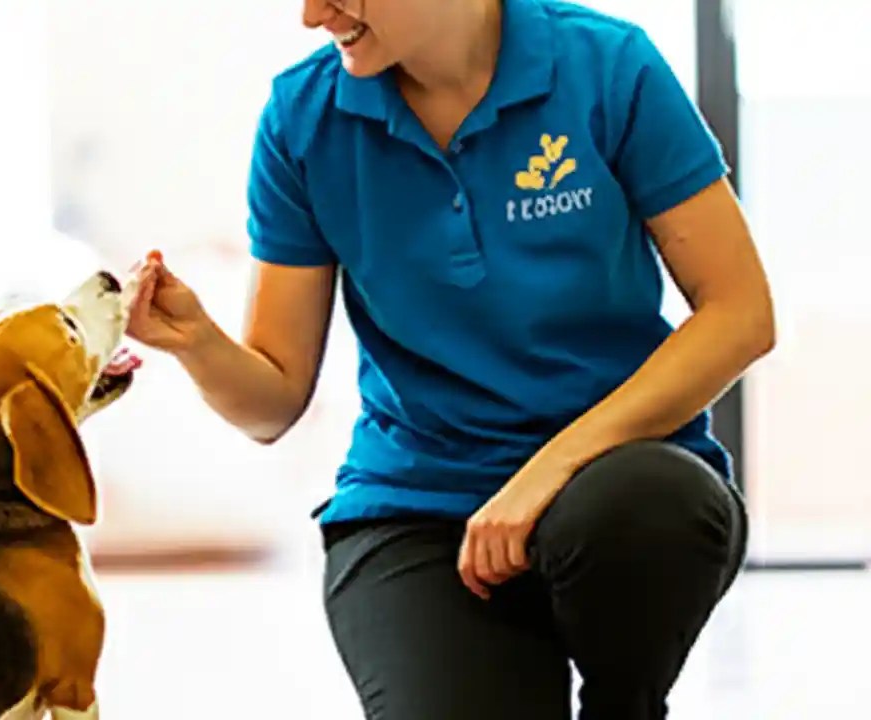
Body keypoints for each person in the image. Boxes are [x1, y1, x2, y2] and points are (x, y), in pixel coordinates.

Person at [124, 0, 774, 717]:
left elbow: (740, 315)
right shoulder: (303, 119)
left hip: (615, 488)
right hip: (420, 513)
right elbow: (273, 401)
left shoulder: (607, 66)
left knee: (647, 506)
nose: (313, 15)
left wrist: (545, 473)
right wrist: (197, 342)